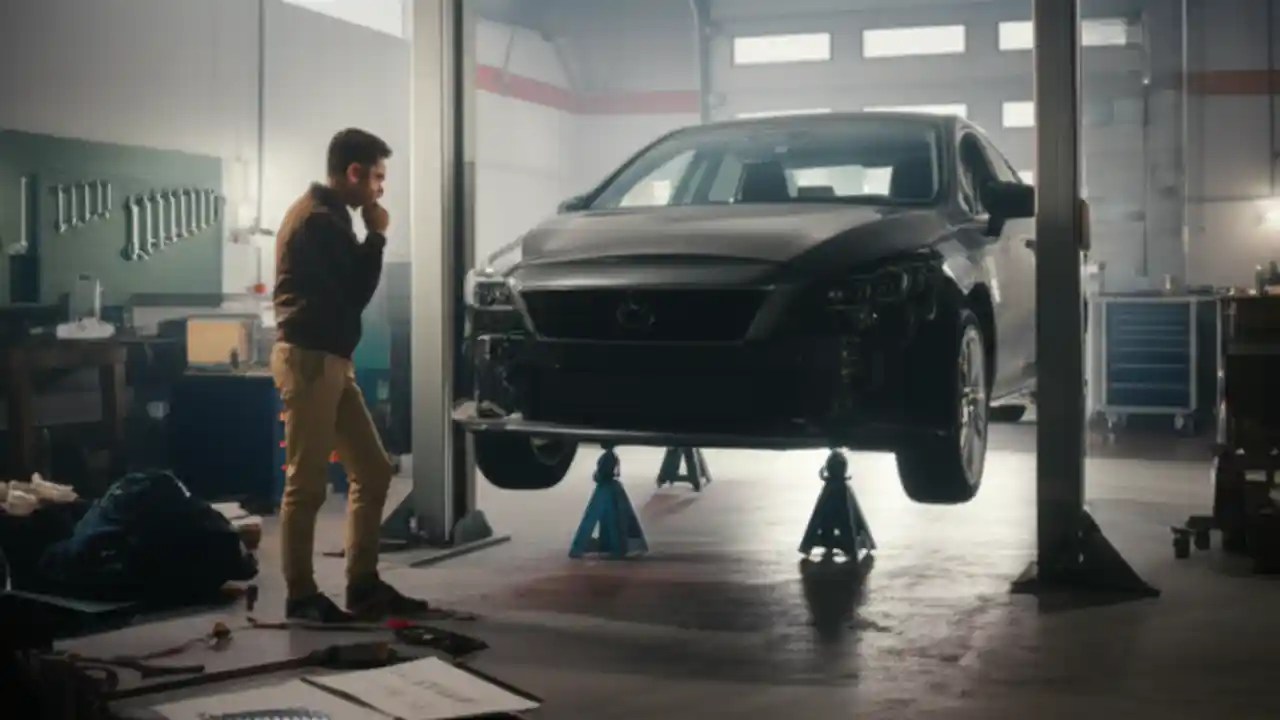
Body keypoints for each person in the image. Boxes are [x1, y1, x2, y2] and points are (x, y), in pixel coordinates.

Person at [270, 128, 428, 622]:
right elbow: (357, 291)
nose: (381, 189)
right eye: (378, 177)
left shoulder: (329, 217)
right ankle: (301, 597)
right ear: (354, 173)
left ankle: (362, 584)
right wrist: (377, 233)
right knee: (307, 483)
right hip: (311, 362)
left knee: (374, 469)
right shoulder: (319, 222)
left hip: (330, 360)